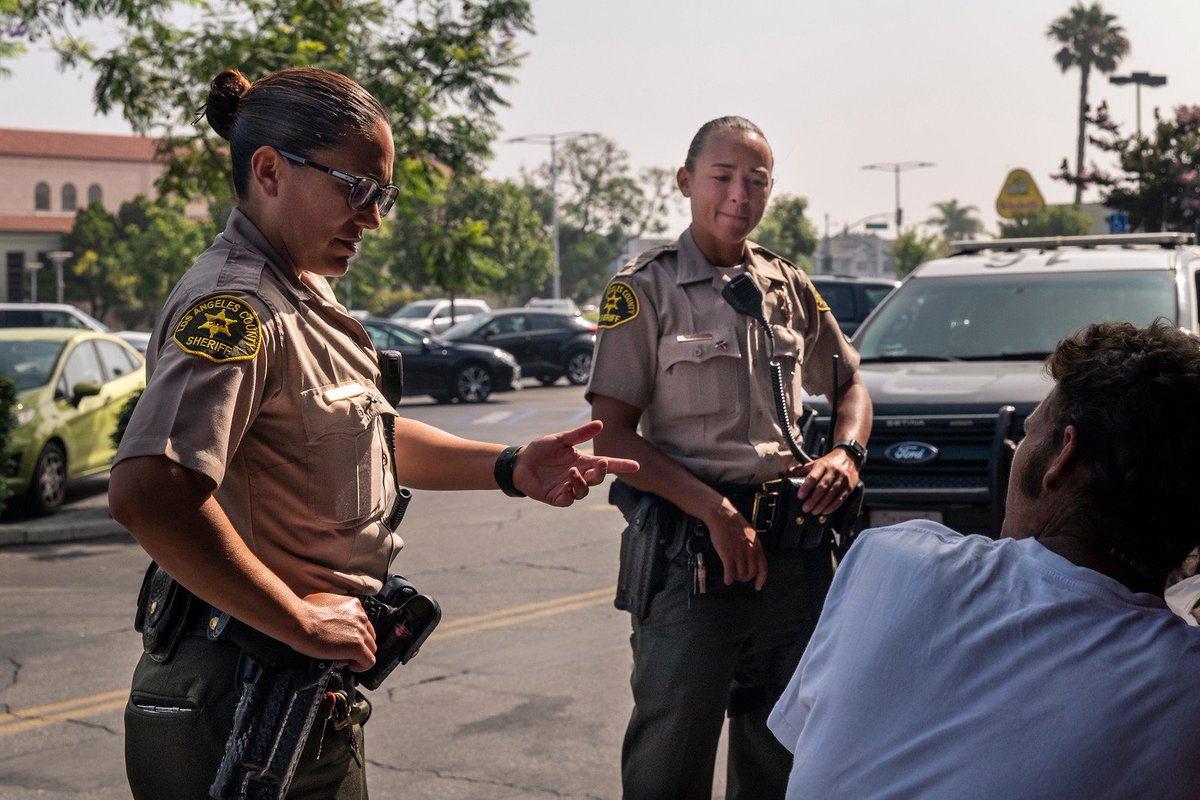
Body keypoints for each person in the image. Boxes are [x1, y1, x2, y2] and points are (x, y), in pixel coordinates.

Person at [108, 67, 638, 800]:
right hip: (237, 699)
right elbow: (150, 489)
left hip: (291, 694)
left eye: (381, 194)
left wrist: (511, 464)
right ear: (269, 171)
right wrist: (297, 619)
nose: (373, 217)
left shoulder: (304, 295)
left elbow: (370, 437)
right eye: (355, 187)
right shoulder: (237, 304)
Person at [768, 321, 1200, 799]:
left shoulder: (887, 560)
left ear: (1063, 456)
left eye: (1030, 431)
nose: (1016, 450)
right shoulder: (1183, 682)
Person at [587, 116, 873, 800]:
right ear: (686, 182)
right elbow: (612, 434)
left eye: (757, 181)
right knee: (670, 763)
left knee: (781, 760)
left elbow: (850, 385)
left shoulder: (788, 284)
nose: (740, 195)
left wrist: (846, 452)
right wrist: (714, 511)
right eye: (722, 177)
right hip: (696, 560)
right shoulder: (642, 290)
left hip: (795, 558)